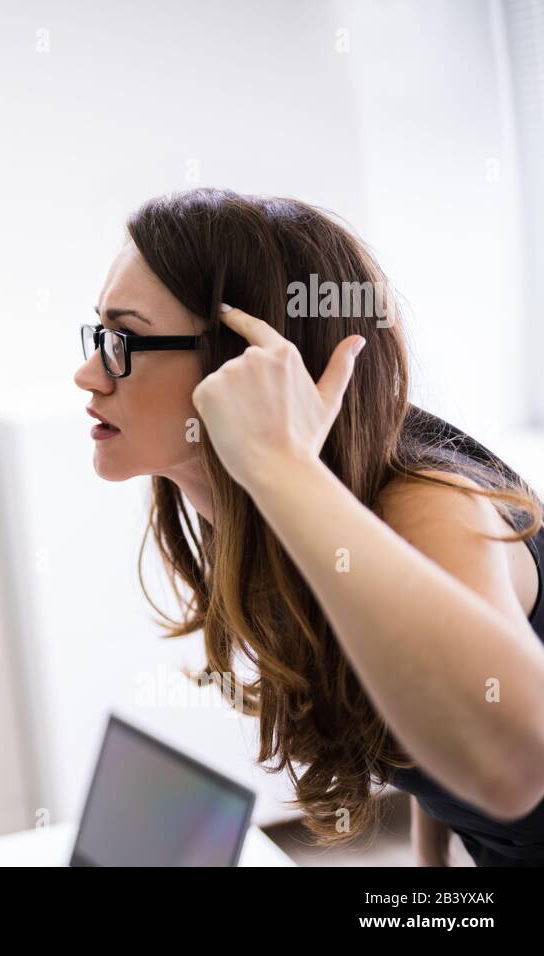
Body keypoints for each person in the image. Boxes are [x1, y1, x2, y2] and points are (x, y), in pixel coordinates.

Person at [74, 187, 544, 865]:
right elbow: (418, 696)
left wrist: (282, 465)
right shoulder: (262, 504)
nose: (88, 373)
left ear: (247, 362)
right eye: (98, 334)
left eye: (123, 340)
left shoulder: (429, 506)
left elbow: (515, 762)